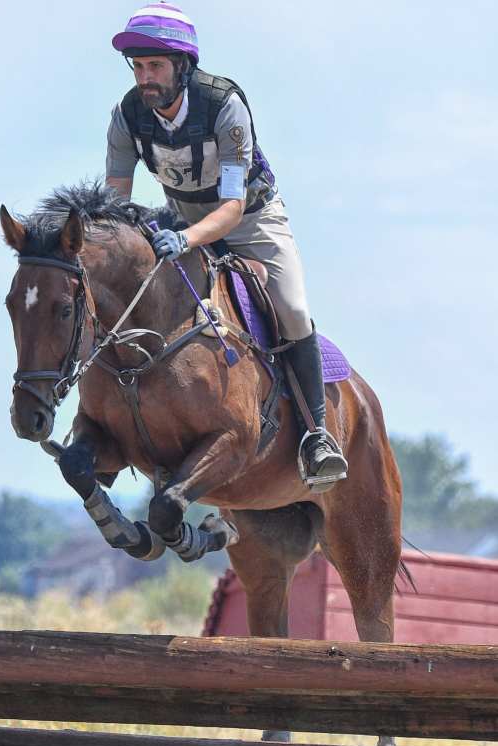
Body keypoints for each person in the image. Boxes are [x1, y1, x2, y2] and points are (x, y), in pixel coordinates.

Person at [105, 1, 347, 490]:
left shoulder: (224, 105)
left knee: (293, 308)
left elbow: (232, 208)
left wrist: (186, 238)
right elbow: (115, 202)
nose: (144, 77)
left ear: (183, 66)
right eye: (138, 67)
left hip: (252, 218)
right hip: (182, 220)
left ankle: (317, 434)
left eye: (154, 66)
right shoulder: (127, 115)